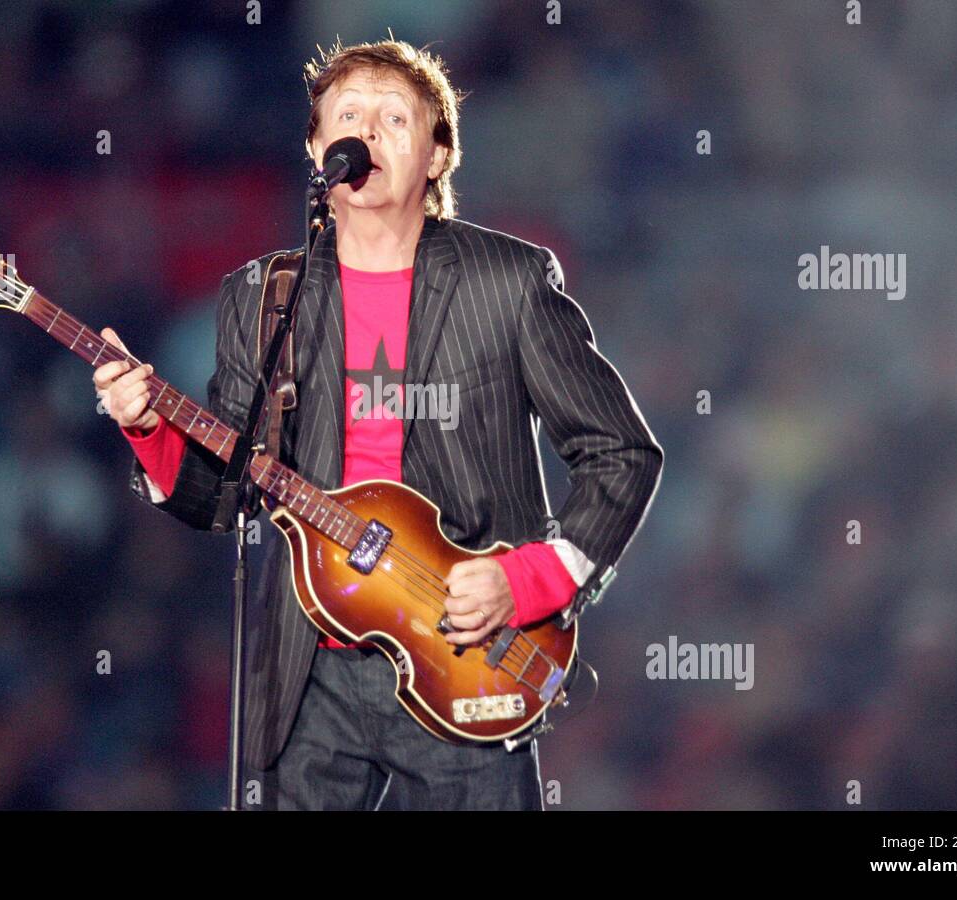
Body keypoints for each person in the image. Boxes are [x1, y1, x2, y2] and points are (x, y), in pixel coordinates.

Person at [93, 38, 663, 810]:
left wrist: (529, 580)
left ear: (436, 156)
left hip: (469, 650)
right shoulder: (263, 298)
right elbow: (225, 496)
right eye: (349, 116)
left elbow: (622, 453)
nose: (366, 132)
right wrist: (147, 427)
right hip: (306, 670)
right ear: (317, 147)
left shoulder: (509, 283)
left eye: (395, 118)